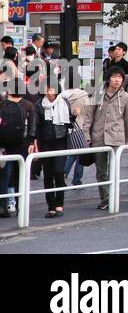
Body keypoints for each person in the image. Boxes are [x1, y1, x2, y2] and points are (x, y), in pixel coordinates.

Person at [89, 70, 128, 210]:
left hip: (116, 138)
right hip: (98, 136)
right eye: (114, 77)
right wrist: (86, 135)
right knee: (101, 171)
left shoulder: (125, 97)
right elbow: (89, 116)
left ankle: (112, 198)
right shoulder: (98, 94)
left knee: (114, 170)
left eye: (119, 77)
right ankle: (106, 199)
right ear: (108, 79)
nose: (117, 80)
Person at [0, 63, 37, 217]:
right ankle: (21, 205)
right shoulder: (29, 105)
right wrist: (31, 142)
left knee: (4, 176)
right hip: (23, 146)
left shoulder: (2, 105)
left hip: (5, 146)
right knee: (21, 176)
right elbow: (33, 127)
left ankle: (3, 207)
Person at [33, 82, 72, 217]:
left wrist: (75, 116)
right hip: (45, 143)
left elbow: (69, 122)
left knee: (59, 171)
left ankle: (59, 204)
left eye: (53, 89)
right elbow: (35, 125)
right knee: (48, 175)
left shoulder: (64, 102)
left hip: (61, 142)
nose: (50, 93)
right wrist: (34, 141)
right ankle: (51, 206)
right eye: (48, 89)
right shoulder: (39, 105)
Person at [62, 82, 92, 190]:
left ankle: (64, 175)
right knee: (80, 155)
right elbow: (89, 112)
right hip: (81, 128)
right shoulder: (83, 95)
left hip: (68, 128)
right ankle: (76, 179)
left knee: (72, 153)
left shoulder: (62, 95)